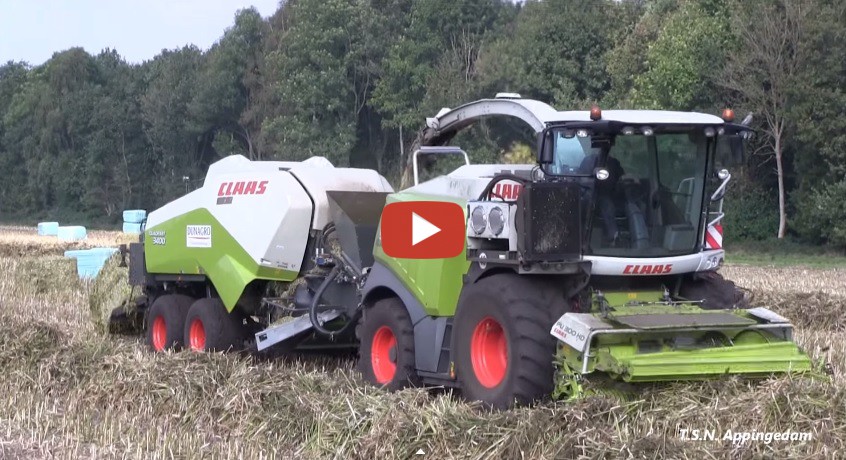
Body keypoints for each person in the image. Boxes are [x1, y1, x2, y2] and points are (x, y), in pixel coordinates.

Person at [579, 153, 625, 243]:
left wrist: (628, 178)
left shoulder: (614, 163)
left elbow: (622, 178)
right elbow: (581, 180)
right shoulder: (588, 162)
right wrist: (594, 179)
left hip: (609, 195)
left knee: (609, 205)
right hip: (589, 194)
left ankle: (615, 237)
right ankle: (582, 238)